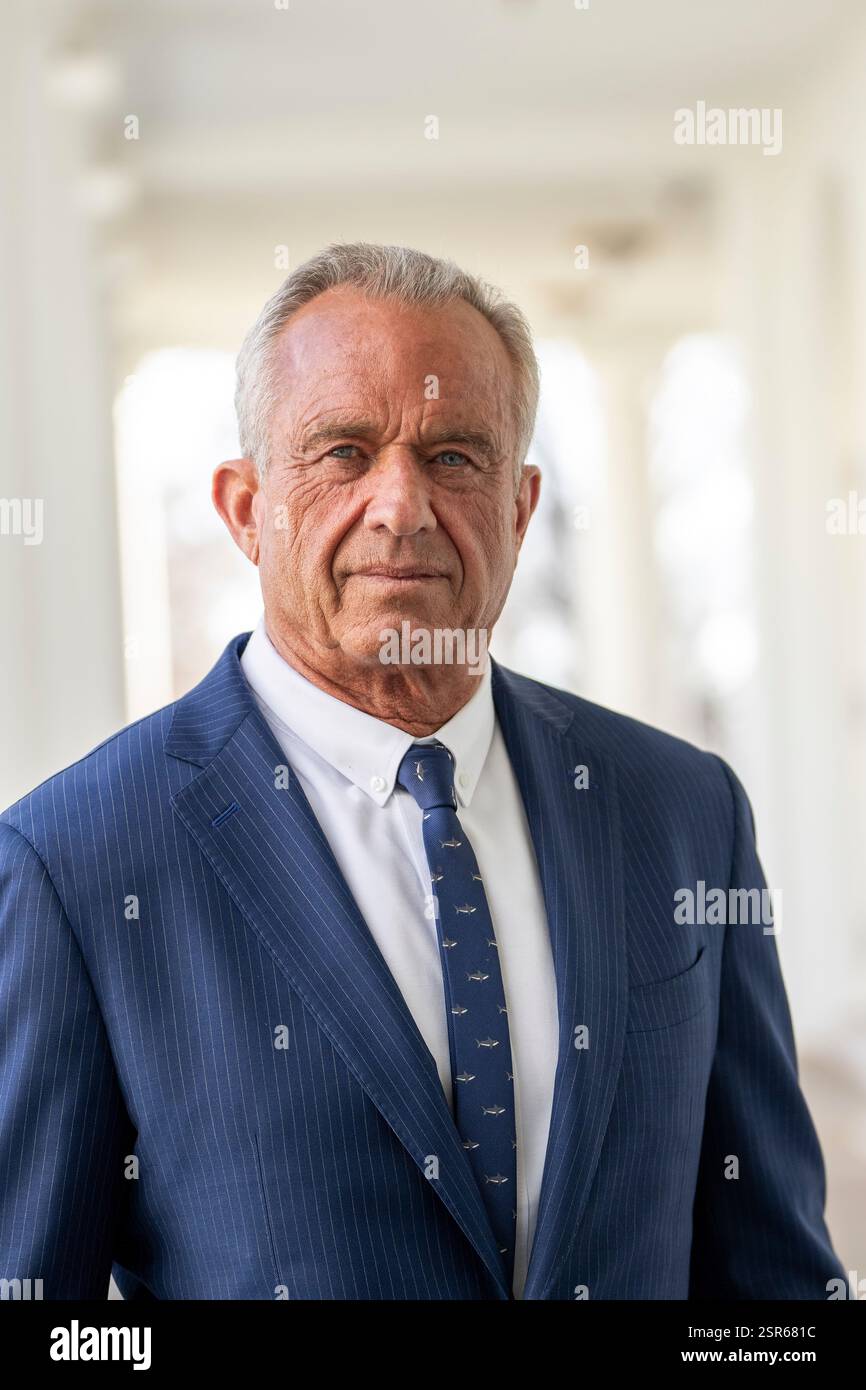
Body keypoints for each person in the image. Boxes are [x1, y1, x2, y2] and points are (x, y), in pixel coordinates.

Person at [0, 243, 845, 1300]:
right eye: (344, 452)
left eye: (453, 456)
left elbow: (771, 1284)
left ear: (520, 508)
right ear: (242, 509)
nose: (399, 506)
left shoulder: (679, 813)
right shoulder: (75, 862)